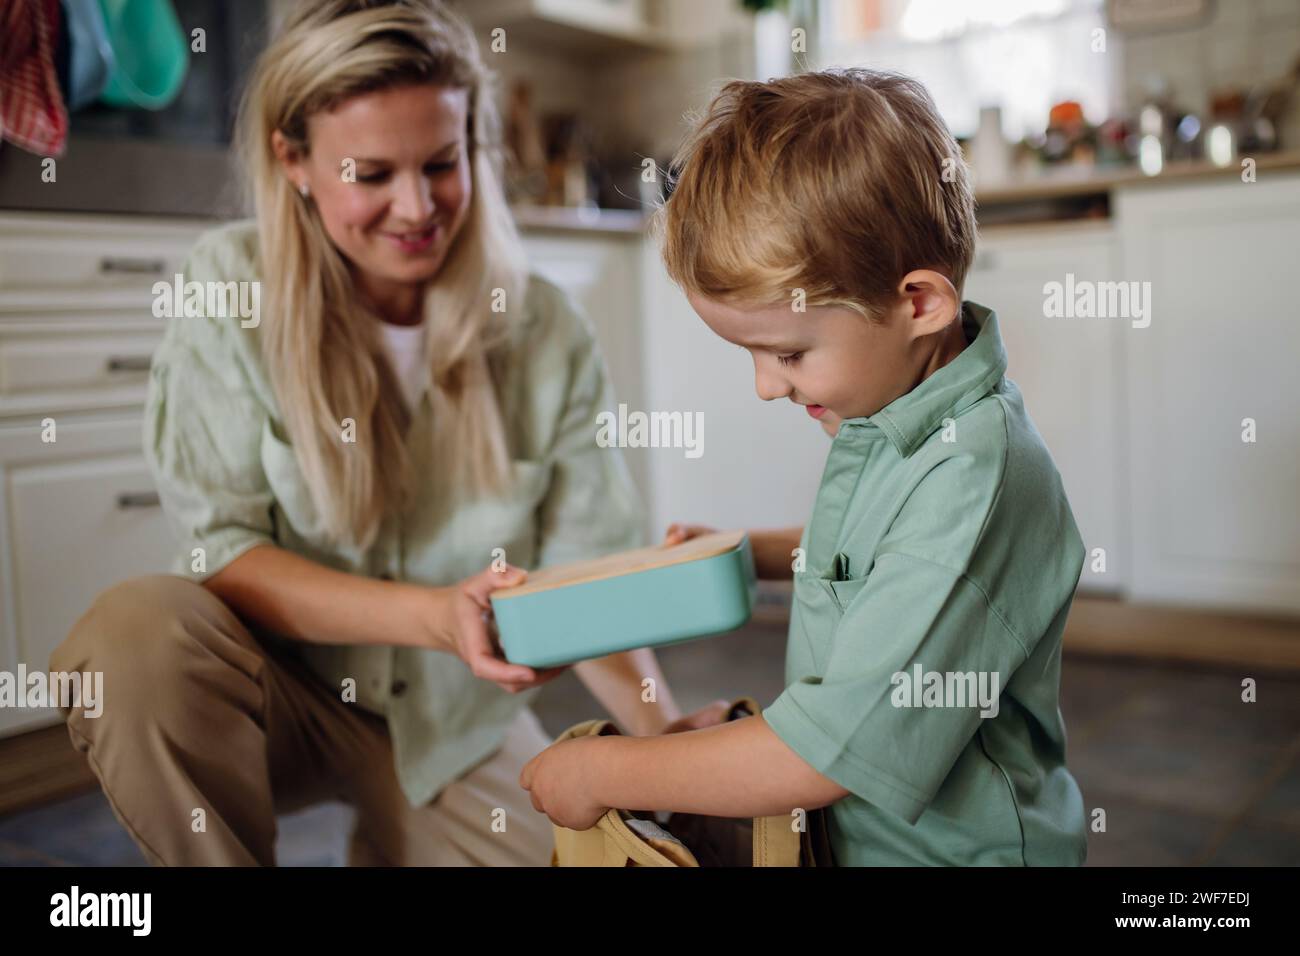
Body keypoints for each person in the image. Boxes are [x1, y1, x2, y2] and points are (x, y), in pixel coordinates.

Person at [50, 0, 718, 867]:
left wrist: (667, 741)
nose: (416, 208)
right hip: (276, 703)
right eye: (371, 175)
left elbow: (586, 569)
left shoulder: (541, 325)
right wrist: (432, 616)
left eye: (441, 164)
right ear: (294, 160)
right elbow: (225, 549)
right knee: (134, 638)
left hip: (452, 723)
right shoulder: (229, 289)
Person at [520, 68, 1089, 866]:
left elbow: (818, 754)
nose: (765, 386)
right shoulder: (902, 414)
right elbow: (888, 556)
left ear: (919, 303)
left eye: (786, 353)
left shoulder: (975, 476)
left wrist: (603, 770)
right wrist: (754, 552)